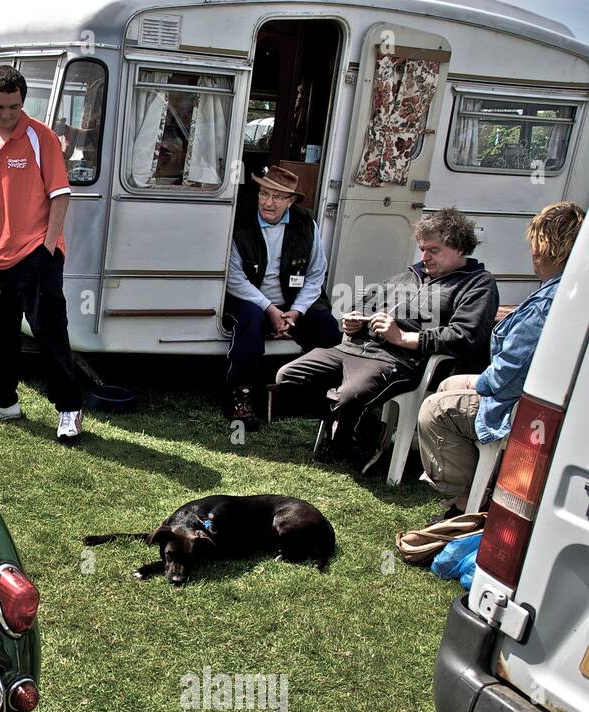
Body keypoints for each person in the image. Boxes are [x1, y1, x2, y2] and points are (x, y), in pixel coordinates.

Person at [275, 207, 499, 465]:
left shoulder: (478, 284)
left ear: (460, 248)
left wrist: (403, 337)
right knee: (288, 377)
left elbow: (465, 337)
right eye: (422, 249)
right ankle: (363, 427)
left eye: (433, 250)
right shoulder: (408, 275)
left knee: (350, 396)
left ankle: (344, 442)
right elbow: (364, 303)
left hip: (400, 358)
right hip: (352, 348)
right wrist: (352, 321)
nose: (424, 256)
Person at [417, 201, 584, 520]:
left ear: (545, 249)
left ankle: (467, 498)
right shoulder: (568, 289)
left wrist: (480, 382)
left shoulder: (547, 302)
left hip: (525, 403)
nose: (532, 255)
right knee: (450, 383)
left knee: (435, 411)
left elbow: (509, 375)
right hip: (548, 396)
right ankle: (483, 477)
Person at [0, 65, 84, 443]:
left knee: (50, 333)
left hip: (36, 253)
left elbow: (60, 196)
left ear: (22, 103)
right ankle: (2, 403)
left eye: (14, 106)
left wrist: (47, 249)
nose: (7, 114)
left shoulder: (41, 137)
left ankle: (69, 409)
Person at [224, 165, 341, 430]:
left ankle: (324, 396)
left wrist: (296, 312)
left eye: (277, 197)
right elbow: (233, 278)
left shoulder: (305, 223)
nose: (268, 202)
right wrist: (269, 309)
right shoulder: (240, 222)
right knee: (250, 323)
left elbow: (315, 274)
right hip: (252, 300)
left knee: (328, 328)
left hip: (291, 304)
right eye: (264, 193)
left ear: (290, 201)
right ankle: (240, 399)